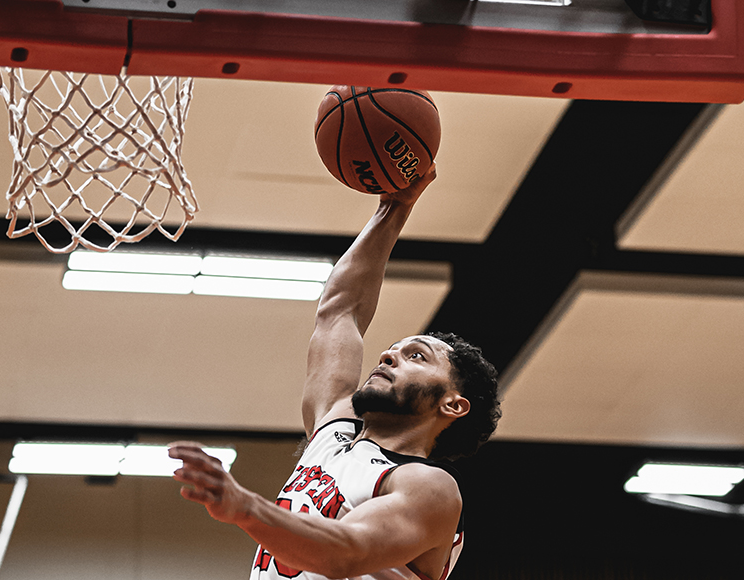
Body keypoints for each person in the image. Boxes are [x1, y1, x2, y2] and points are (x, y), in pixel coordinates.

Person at [169, 166, 501, 580]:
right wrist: (394, 207)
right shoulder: (333, 433)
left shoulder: (428, 487)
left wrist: (246, 507)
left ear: (453, 404)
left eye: (416, 356)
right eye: (392, 350)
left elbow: (345, 552)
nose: (387, 356)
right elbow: (339, 310)